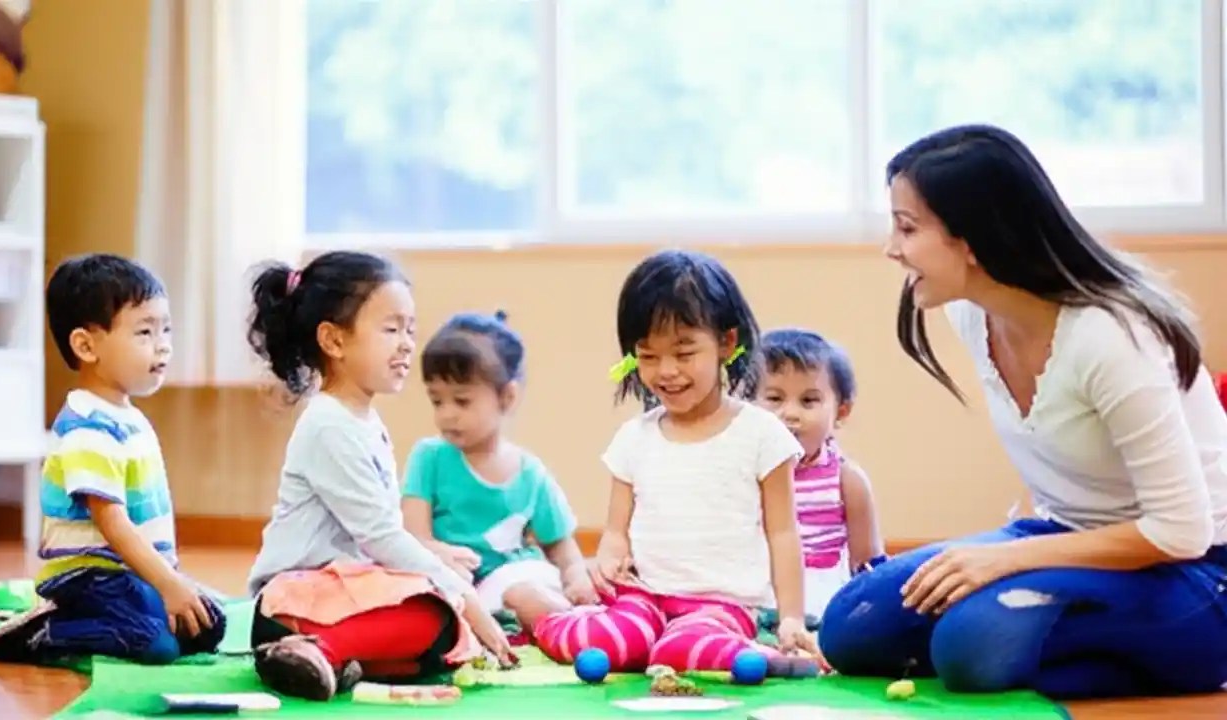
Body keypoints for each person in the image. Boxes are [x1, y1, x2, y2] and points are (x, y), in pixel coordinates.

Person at [818, 123, 1227, 699]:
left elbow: (1182, 531)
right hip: (1067, 537)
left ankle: (1195, 658)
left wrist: (1006, 560)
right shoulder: (973, 314)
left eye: (908, 228)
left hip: (1197, 573)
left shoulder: (1111, 338)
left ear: (974, 241)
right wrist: (1007, 557)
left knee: (972, 642)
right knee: (852, 624)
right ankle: (1024, 649)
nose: (892, 247)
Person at [504, 249, 824, 676]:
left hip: (721, 606)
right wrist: (609, 561)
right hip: (643, 597)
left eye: (683, 352)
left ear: (726, 344)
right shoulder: (634, 438)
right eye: (648, 356)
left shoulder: (761, 434)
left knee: (682, 646)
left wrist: (790, 619)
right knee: (610, 642)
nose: (666, 371)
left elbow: (783, 533)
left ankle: (765, 657)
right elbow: (616, 533)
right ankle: (545, 613)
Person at [244, 251, 513, 702]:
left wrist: (434, 553)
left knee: (441, 632)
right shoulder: (328, 425)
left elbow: (375, 529)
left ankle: (340, 661)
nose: (408, 343)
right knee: (441, 614)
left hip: (341, 591)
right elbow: (381, 536)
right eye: (391, 329)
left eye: (410, 329)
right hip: (293, 604)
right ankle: (312, 651)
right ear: (333, 340)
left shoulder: (363, 420)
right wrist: (463, 597)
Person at [0, 254, 225, 665]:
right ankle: (48, 630)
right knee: (157, 643)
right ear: (86, 345)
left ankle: (126, 612)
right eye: (145, 332)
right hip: (90, 577)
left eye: (166, 329)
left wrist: (171, 582)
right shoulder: (88, 427)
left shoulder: (127, 418)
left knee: (208, 626)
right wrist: (168, 583)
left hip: (125, 574)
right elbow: (113, 524)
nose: (162, 343)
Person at [401, 311, 596, 618]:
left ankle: (574, 625)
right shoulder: (429, 458)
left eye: (462, 401)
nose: (447, 414)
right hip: (454, 582)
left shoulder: (530, 474)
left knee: (527, 593)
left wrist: (577, 578)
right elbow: (413, 537)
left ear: (507, 397)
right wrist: (437, 553)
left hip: (516, 577)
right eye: (437, 401)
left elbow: (561, 547)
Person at [755, 328, 885, 621]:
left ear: (841, 411)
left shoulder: (846, 479)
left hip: (821, 599)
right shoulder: (745, 474)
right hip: (755, 594)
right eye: (774, 398)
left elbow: (867, 564)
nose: (789, 413)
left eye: (809, 401)